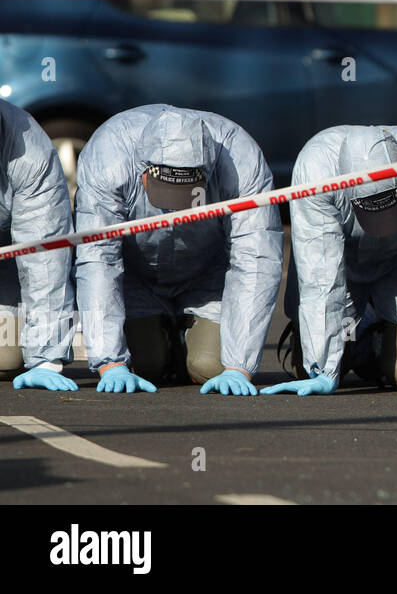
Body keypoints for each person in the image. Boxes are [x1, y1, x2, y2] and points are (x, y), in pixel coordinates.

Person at [74, 105, 282, 395]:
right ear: (142, 168)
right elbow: (98, 258)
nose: (172, 205)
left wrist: (240, 367)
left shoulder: (240, 159)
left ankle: (188, 337)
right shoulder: (108, 155)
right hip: (136, 276)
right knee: (148, 365)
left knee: (209, 367)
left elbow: (256, 259)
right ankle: (161, 335)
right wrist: (109, 362)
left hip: (208, 276)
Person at [262, 125, 397, 400]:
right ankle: (361, 330)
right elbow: (322, 278)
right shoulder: (316, 168)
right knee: (309, 367)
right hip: (343, 264)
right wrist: (323, 369)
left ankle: (376, 336)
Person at [1, 100, 77, 392]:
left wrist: (46, 358)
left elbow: (45, 258)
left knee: (6, 357)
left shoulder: (31, 152)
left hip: (5, 259)